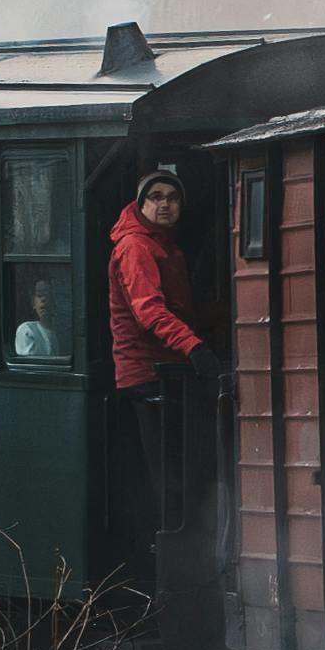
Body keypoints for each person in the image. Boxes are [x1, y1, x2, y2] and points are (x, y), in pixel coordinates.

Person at [108, 166, 211, 547]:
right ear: (141, 202)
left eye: (172, 197)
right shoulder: (136, 247)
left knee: (178, 468)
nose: (165, 204)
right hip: (148, 374)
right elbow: (148, 310)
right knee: (169, 472)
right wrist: (195, 347)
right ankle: (169, 550)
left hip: (166, 368)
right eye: (156, 197)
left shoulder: (164, 244)